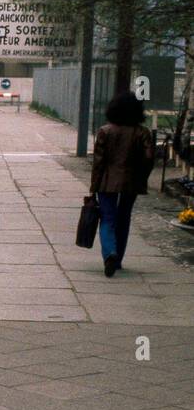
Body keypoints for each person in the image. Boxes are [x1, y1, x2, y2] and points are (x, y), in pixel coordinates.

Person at [90, 91, 155, 277]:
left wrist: (94, 187)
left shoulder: (105, 131)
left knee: (107, 218)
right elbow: (149, 157)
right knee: (124, 218)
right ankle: (118, 260)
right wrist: (142, 176)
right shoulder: (142, 132)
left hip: (107, 181)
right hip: (131, 182)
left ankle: (109, 252)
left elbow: (98, 162)